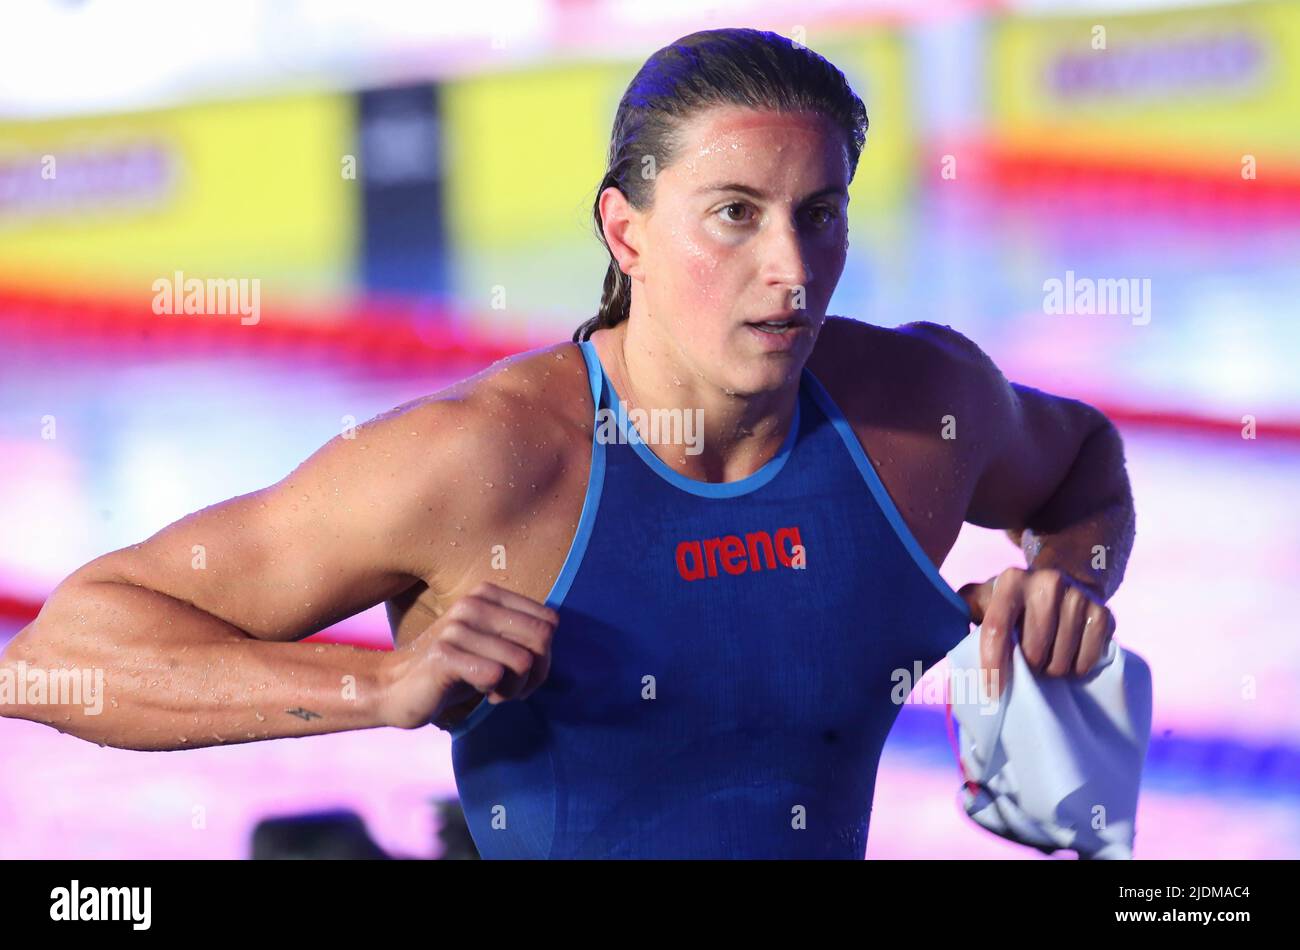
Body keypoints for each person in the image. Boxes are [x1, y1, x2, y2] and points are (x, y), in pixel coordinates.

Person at [0, 28, 1134, 858]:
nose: (790, 269)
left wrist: (1066, 581)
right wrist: (374, 685)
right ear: (624, 229)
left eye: (819, 213)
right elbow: (54, 657)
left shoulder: (919, 416)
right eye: (733, 212)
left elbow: (1084, 463)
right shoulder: (485, 463)